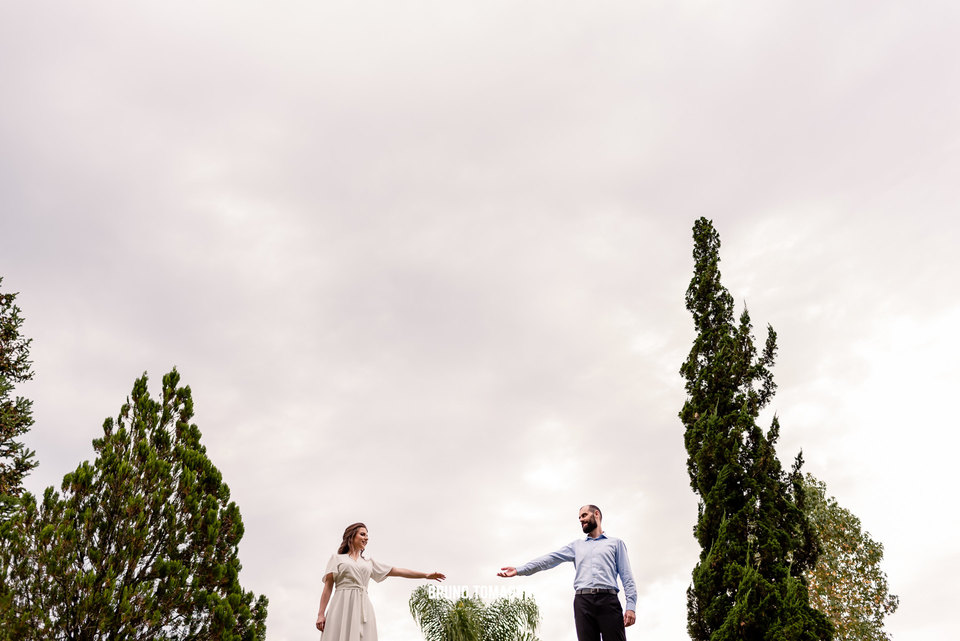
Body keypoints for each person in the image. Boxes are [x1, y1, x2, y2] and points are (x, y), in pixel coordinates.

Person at [497, 504, 637, 641]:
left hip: (609, 601)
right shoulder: (576, 546)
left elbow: (627, 576)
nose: (581, 520)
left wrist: (631, 607)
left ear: (596, 514)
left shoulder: (616, 543)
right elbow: (549, 559)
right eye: (579, 518)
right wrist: (519, 570)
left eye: (584, 515)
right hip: (583, 602)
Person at [316, 522, 445, 640]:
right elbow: (328, 587)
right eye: (362, 534)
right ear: (351, 536)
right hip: (341, 605)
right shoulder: (337, 559)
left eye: (367, 535)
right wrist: (321, 614)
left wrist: (425, 575)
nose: (366, 538)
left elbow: (398, 571)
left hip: (362, 607)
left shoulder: (369, 563)